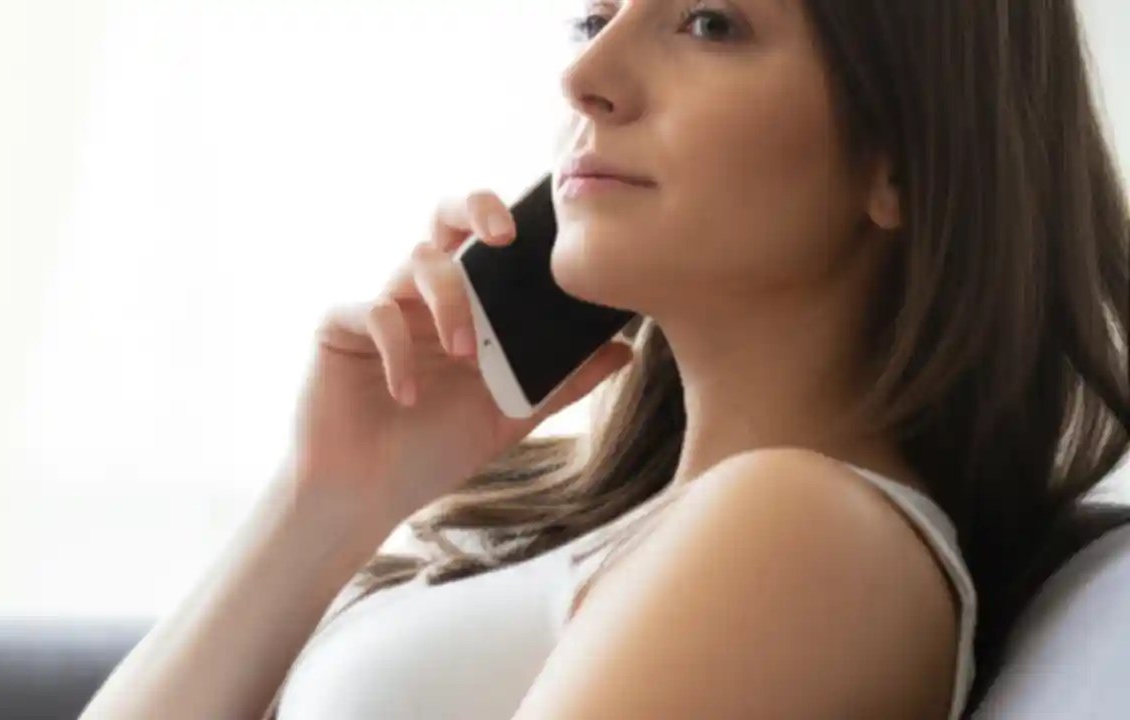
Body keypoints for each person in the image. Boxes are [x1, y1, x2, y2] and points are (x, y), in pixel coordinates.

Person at [80, 1, 1130, 718]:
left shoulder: (800, 530)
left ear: (898, 157)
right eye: (593, 16)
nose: (584, 76)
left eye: (708, 23)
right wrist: (333, 494)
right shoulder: (665, 528)